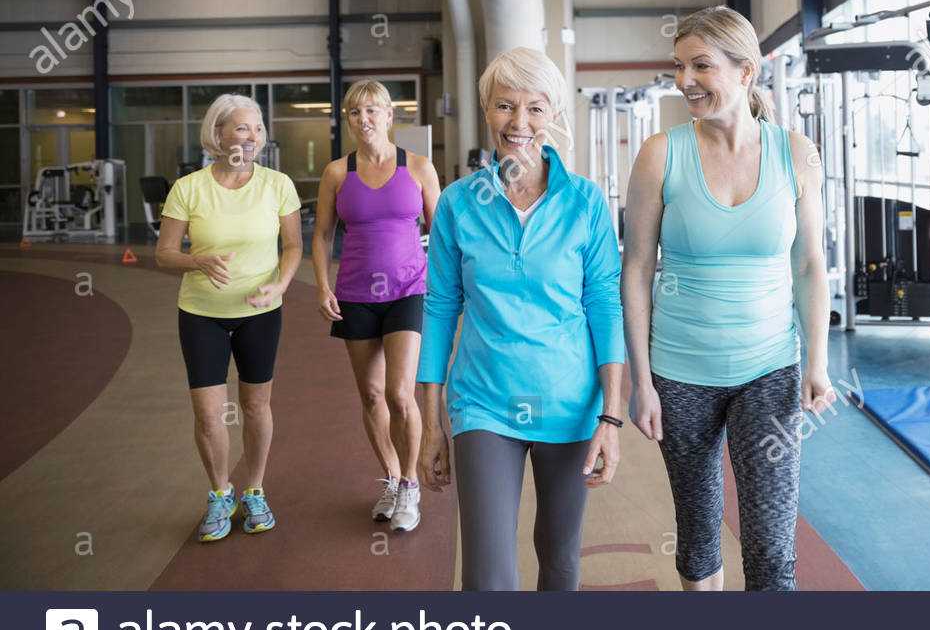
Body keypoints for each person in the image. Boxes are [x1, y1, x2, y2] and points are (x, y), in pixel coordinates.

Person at [621, 5, 834, 591]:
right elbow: (636, 269)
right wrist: (641, 381)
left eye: (701, 66)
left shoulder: (797, 153)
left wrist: (816, 361)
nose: (685, 80)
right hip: (679, 370)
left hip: (769, 366)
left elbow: (811, 263)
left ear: (745, 72)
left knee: (770, 543)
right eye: (679, 66)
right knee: (698, 533)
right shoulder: (660, 154)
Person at [416, 47, 624, 590]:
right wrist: (431, 420)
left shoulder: (586, 203)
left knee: (559, 560)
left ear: (553, 114)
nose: (520, 123)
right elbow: (439, 307)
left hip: (571, 402)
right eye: (506, 106)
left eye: (535, 108)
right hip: (484, 401)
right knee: (487, 577)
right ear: (486, 109)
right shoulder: (459, 204)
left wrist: (612, 416)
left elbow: (605, 305)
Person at [155, 93, 302, 542]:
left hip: (260, 312)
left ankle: (254, 491)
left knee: (256, 406)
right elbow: (164, 254)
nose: (252, 137)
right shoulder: (189, 188)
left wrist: (281, 284)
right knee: (208, 414)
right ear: (218, 134)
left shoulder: (277, 184)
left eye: (258, 129)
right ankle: (221, 493)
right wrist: (197, 262)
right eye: (242, 128)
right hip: (202, 313)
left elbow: (294, 246)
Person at [313, 80, 441, 532]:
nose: (363, 119)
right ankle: (390, 476)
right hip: (354, 295)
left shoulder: (420, 168)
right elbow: (324, 235)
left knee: (399, 393)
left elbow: (441, 236)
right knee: (370, 394)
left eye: (371, 111)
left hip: (408, 290)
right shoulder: (335, 173)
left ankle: (410, 484)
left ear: (390, 115)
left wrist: (446, 294)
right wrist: (322, 286)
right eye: (353, 113)